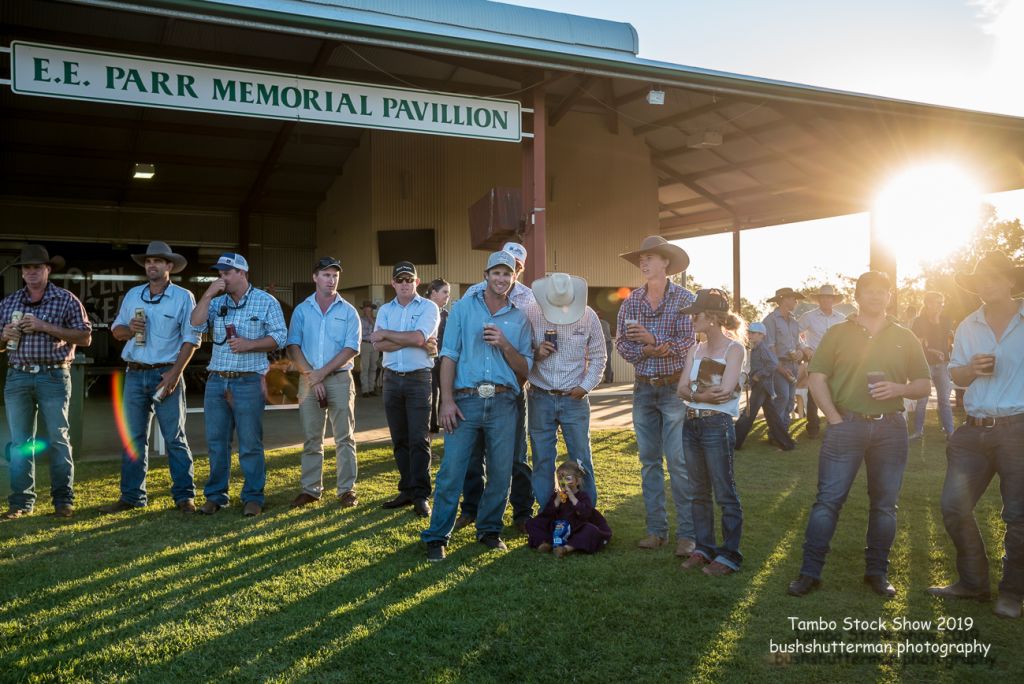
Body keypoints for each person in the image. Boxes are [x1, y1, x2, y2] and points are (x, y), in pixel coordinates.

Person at [787, 271, 930, 598]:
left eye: (883, 291)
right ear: (858, 295)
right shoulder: (838, 333)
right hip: (846, 425)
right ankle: (810, 572)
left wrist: (899, 388)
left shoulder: (904, 336)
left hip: (891, 428)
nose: (877, 296)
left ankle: (877, 572)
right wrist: (834, 418)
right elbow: (817, 377)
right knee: (828, 501)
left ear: (889, 296)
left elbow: (924, 385)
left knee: (885, 505)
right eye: (870, 291)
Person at [928, 252, 1024, 619]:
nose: (986, 283)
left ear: (1010, 281)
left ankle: (1012, 593)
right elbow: (957, 376)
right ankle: (972, 583)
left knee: (1018, 516)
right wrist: (969, 368)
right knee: (953, 505)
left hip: (1019, 428)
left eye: (994, 277)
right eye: (981, 277)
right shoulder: (969, 324)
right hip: (974, 430)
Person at [421, 250, 534, 560]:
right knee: (452, 470)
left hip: (503, 401)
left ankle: (489, 529)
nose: (501, 278)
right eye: (495, 273)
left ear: (513, 279)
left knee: (501, 472)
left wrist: (505, 344)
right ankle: (437, 535)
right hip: (466, 400)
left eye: (506, 274)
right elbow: (449, 356)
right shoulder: (462, 309)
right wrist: (447, 401)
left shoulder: (519, 317)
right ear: (486, 275)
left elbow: (526, 368)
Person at [101, 241, 200, 514]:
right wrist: (129, 329)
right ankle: (132, 497)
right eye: (148, 262)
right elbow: (117, 332)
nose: (151, 265)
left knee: (174, 437)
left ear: (170, 266)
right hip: (135, 373)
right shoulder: (133, 295)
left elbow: (191, 340)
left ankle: (184, 497)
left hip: (165, 372)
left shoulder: (183, 297)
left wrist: (174, 374)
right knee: (133, 439)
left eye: (158, 261)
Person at [616, 235, 697, 555]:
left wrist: (652, 339)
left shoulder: (685, 300)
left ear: (666, 263)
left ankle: (687, 534)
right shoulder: (631, 301)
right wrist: (647, 350)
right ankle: (656, 530)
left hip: (674, 389)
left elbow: (688, 343)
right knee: (649, 461)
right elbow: (622, 343)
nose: (643, 262)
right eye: (641, 259)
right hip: (643, 389)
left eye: (649, 257)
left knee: (677, 462)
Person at [190, 253, 287, 517]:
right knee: (217, 442)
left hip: (248, 381)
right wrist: (207, 295)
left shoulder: (265, 301)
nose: (222, 277)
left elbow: (280, 337)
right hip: (217, 380)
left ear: (242, 273)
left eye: (227, 272)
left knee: (250, 443)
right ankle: (215, 496)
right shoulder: (216, 301)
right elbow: (195, 323)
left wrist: (250, 345)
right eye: (220, 273)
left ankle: (253, 497)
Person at [0, 245, 91, 520]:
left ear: (48, 270)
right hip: (17, 375)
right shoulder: (9, 303)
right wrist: (4, 337)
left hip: (53, 374)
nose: (31, 272)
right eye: (26, 268)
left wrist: (44, 326)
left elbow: (85, 338)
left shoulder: (66, 300)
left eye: (36, 267)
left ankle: (63, 501)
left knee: (58, 439)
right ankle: (20, 503)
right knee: (19, 442)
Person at [454, 241, 536, 532]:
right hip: (477, 388)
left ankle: (522, 512)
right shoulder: (473, 294)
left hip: (513, 387)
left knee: (515, 455)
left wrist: (517, 383)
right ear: (489, 270)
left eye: (512, 265)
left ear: (518, 270)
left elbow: (530, 346)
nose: (503, 273)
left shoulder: (529, 300)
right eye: (498, 267)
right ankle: (472, 509)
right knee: (474, 453)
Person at [676, 289, 747, 575]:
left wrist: (694, 393)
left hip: (717, 426)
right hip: (690, 423)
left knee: (724, 491)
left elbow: (726, 391)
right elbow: (680, 389)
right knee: (698, 491)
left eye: (697, 313)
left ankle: (729, 555)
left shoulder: (735, 349)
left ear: (713, 318)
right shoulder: (694, 349)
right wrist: (702, 394)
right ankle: (704, 549)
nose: (692, 318)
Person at [525, 272, 607, 508]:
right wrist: (535, 353)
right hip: (541, 393)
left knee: (581, 457)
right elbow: (520, 349)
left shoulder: (588, 315)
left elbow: (599, 356)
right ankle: (548, 511)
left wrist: (585, 386)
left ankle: (586, 512)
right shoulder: (530, 312)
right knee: (542, 458)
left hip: (575, 396)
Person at [286, 257, 361, 508]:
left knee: (344, 438)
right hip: (308, 381)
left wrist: (322, 373)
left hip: (339, 379)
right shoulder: (302, 310)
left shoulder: (349, 311)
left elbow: (352, 348)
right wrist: (311, 375)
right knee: (311, 437)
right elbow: (293, 345)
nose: (331, 280)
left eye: (335, 275)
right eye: (326, 275)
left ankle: (346, 490)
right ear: (315, 277)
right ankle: (310, 489)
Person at [373, 261, 440, 518]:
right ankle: (407, 489)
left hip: (417, 379)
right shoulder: (386, 309)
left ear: (417, 281)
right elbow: (378, 345)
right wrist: (411, 340)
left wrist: (391, 336)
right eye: (399, 280)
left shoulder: (429, 307)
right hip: (391, 379)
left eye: (408, 280)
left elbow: (419, 338)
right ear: (392, 283)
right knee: (399, 438)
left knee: (419, 439)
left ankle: (421, 494)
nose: (404, 284)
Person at [525, 460, 612, 557]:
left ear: (577, 481)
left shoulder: (583, 496)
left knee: (590, 530)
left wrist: (572, 498)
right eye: (560, 478)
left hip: (577, 528)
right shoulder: (556, 495)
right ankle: (546, 543)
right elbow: (548, 513)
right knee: (533, 523)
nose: (563, 482)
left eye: (568, 478)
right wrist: (557, 501)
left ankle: (566, 548)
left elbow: (585, 513)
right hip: (558, 527)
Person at [734, 322, 795, 451]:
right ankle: (787, 443)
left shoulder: (763, 348)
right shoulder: (756, 348)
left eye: (753, 333)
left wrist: (759, 375)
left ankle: (735, 441)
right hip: (762, 385)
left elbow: (773, 364)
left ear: (761, 335)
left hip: (762, 385)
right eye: (749, 332)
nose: (749, 335)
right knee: (772, 416)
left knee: (748, 413)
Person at [798, 285, 847, 438]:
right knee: (814, 394)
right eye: (823, 297)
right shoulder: (808, 316)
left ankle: (838, 423)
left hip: (837, 360)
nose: (826, 300)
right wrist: (805, 348)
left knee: (838, 391)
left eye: (829, 297)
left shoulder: (841, 318)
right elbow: (794, 334)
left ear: (833, 300)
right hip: (816, 359)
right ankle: (813, 427)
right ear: (819, 300)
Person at [910, 291, 955, 440]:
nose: (941, 306)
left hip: (942, 365)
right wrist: (932, 350)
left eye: (942, 303)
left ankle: (950, 432)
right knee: (922, 400)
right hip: (925, 365)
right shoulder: (918, 322)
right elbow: (918, 344)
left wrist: (936, 319)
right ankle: (918, 431)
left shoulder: (946, 320)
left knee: (944, 400)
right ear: (928, 303)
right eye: (938, 302)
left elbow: (945, 340)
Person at [762, 287, 807, 436]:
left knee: (789, 401)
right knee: (782, 398)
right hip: (778, 365)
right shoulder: (770, 320)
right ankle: (776, 434)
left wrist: (800, 352)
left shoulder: (794, 322)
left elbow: (798, 343)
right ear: (783, 299)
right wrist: (780, 367)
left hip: (794, 365)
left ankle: (783, 433)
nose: (796, 301)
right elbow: (770, 347)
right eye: (793, 298)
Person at [426, 279, 451, 434]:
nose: (448, 296)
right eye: (445, 292)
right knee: (430, 398)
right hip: (425, 361)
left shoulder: (447, 315)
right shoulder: (422, 309)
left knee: (444, 396)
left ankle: (438, 433)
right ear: (433, 293)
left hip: (443, 362)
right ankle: (427, 438)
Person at [359, 300, 378, 397]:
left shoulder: (376, 319)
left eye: (369, 307)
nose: (367, 309)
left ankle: (371, 388)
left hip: (375, 345)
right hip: (365, 344)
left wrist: (371, 320)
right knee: (365, 368)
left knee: (373, 368)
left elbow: (378, 331)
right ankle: (365, 390)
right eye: (365, 307)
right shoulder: (360, 319)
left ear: (371, 309)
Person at [599, 313, 614, 384]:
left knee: (605, 362)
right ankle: (609, 376)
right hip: (609, 343)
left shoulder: (598, 323)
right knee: (608, 361)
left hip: (605, 343)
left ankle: (608, 378)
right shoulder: (606, 323)